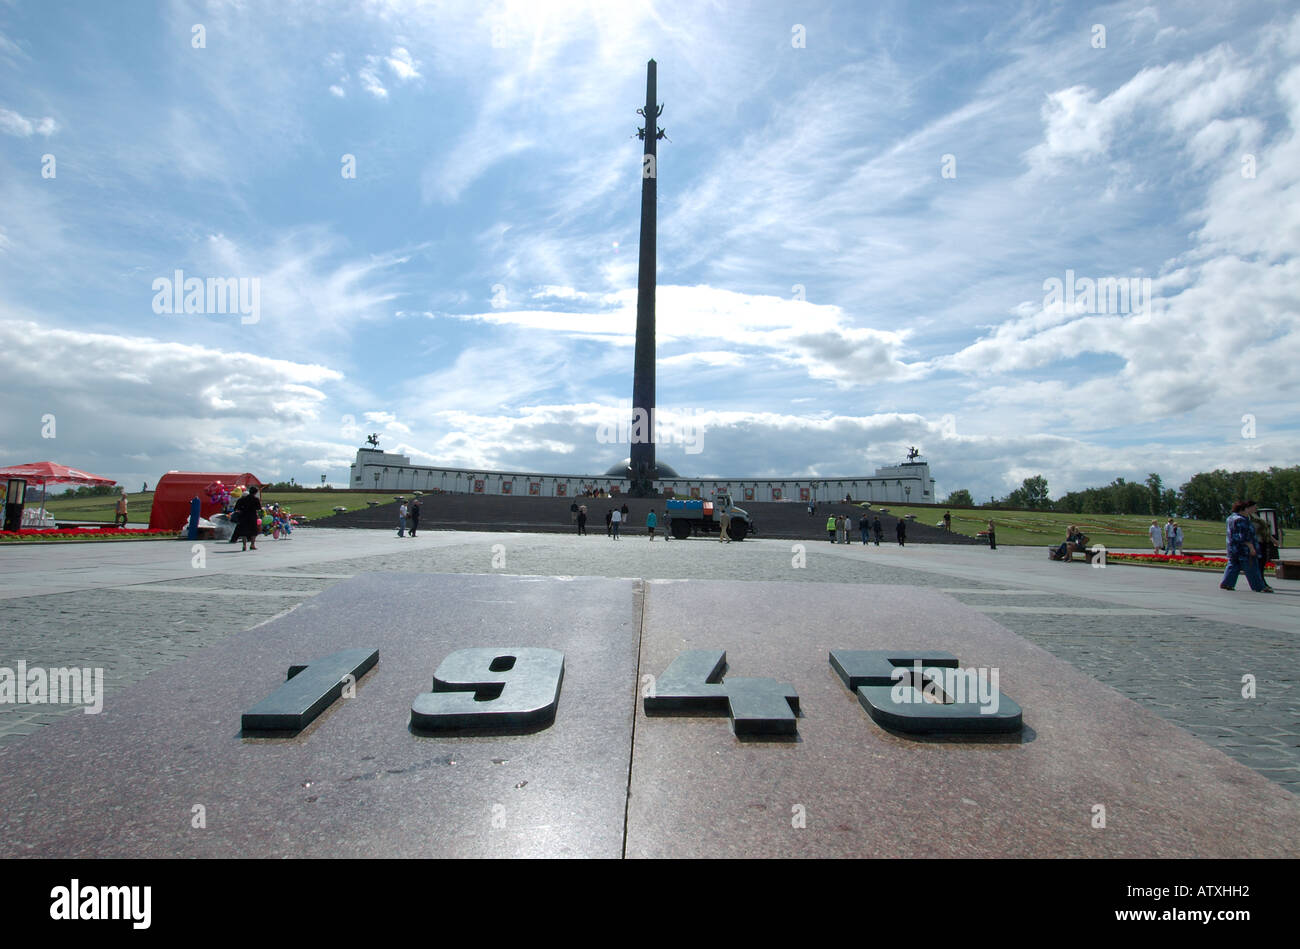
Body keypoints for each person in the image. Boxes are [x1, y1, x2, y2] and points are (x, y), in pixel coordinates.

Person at [1221, 500, 1272, 592]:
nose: (1248, 511)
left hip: (1233, 548)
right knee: (1252, 567)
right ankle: (1259, 587)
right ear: (1242, 509)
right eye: (1247, 509)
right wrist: (1251, 548)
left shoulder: (1230, 518)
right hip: (1244, 550)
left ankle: (1227, 583)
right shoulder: (1241, 520)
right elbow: (1244, 536)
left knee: (1233, 566)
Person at [232, 485, 263, 551]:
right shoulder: (256, 499)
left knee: (244, 531)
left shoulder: (242, 499)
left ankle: (244, 545)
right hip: (252, 517)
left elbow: (236, 508)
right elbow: (259, 508)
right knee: (254, 531)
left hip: (243, 516)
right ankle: (252, 545)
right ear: (255, 492)